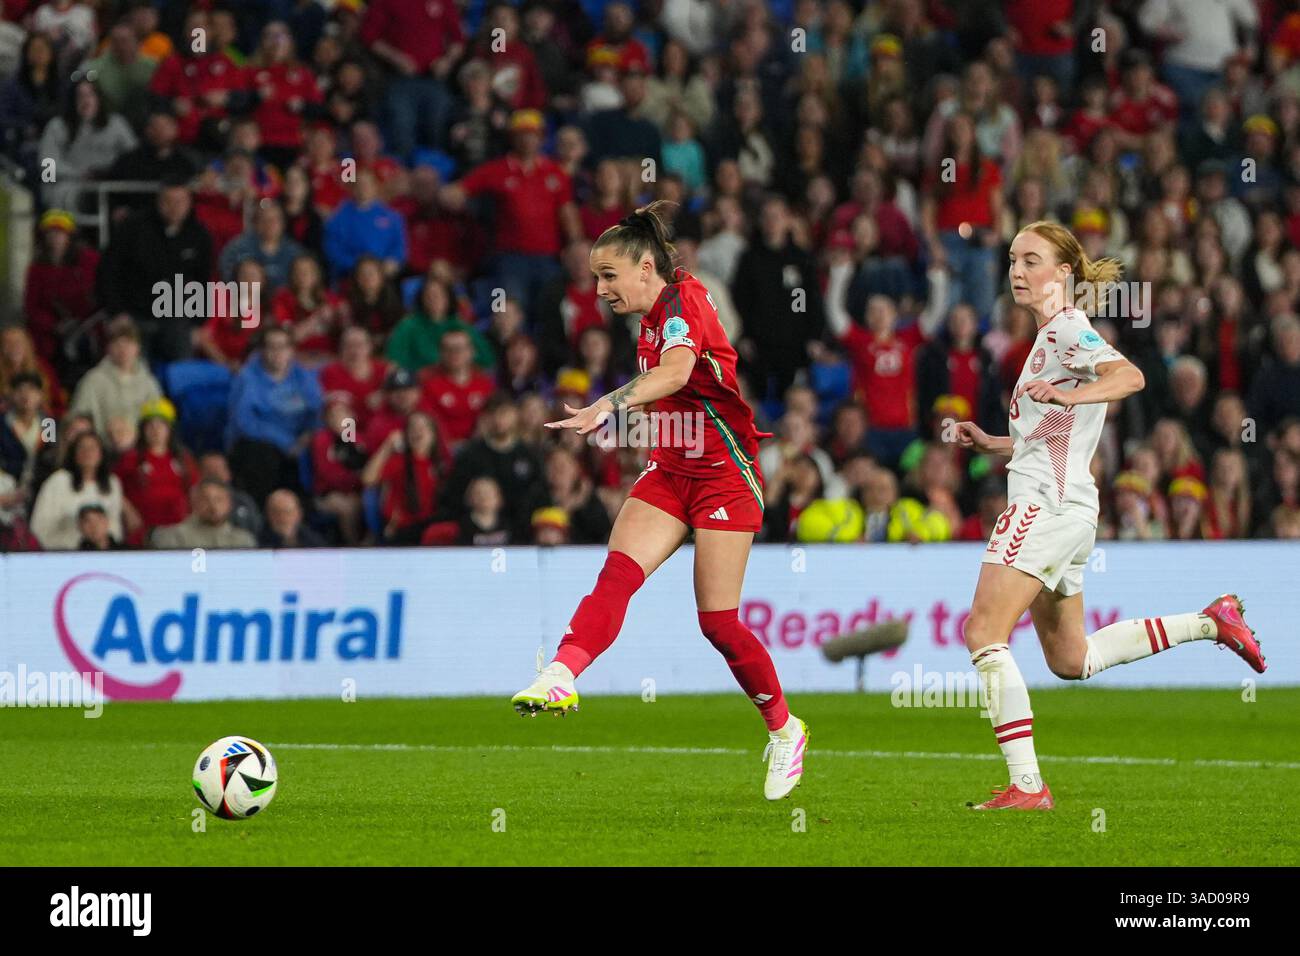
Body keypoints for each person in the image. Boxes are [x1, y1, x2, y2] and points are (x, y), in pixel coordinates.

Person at [953, 221, 1266, 811]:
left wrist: (1072, 395)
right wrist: (997, 442)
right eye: (1014, 260)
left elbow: (1130, 376)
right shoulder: (1050, 338)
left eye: (1032, 260)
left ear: (1064, 274)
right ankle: (1212, 622)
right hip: (1069, 507)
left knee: (983, 633)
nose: (1017, 271)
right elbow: (1052, 433)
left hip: (1043, 507)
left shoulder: (1069, 329)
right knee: (1072, 660)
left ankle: (1027, 788)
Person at [509, 202, 805, 801]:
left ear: (647, 267)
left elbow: (674, 373)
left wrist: (608, 405)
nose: (600, 289)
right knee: (616, 574)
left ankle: (785, 729)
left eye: (609, 276)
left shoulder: (681, 306)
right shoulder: (650, 313)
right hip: (672, 467)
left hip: (725, 472)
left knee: (718, 623)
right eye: (595, 277)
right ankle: (562, 672)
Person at [151, 478, 258, 549]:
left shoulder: (244, 540)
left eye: (219, 499)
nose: (213, 505)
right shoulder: (174, 536)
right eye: (205, 499)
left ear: (229, 503)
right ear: (193, 502)